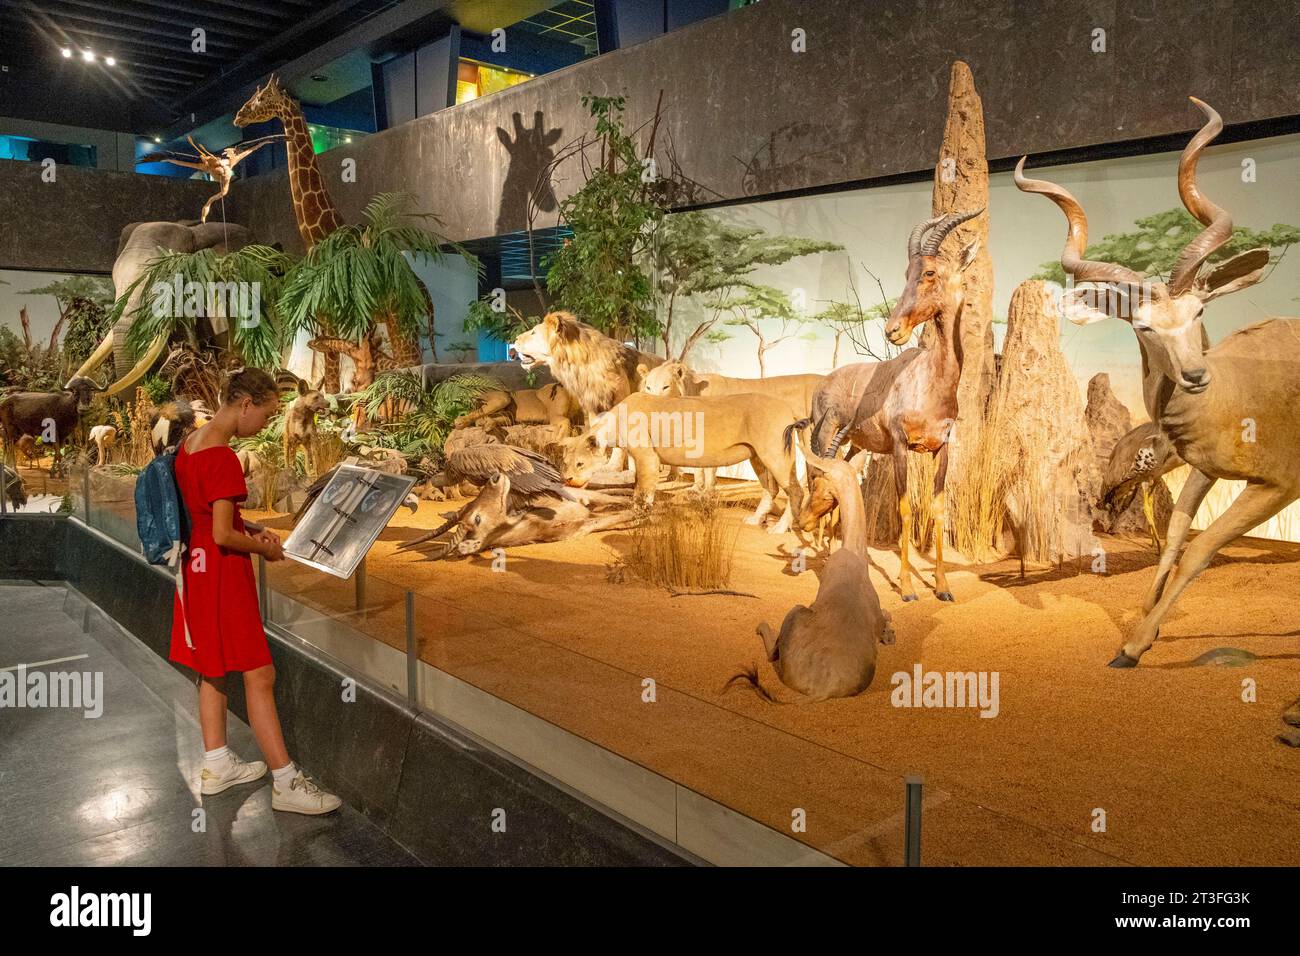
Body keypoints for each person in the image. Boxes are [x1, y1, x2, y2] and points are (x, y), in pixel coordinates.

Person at [170, 367, 341, 815]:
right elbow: (225, 536)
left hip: (196, 571)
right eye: (264, 415)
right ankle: (285, 781)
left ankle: (215, 763)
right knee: (259, 675)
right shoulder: (224, 457)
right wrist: (264, 549)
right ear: (245, 404)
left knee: (212, 667)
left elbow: (206, 516)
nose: (264, 425)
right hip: (225, 577)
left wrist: (252, 525)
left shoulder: (191, 444)